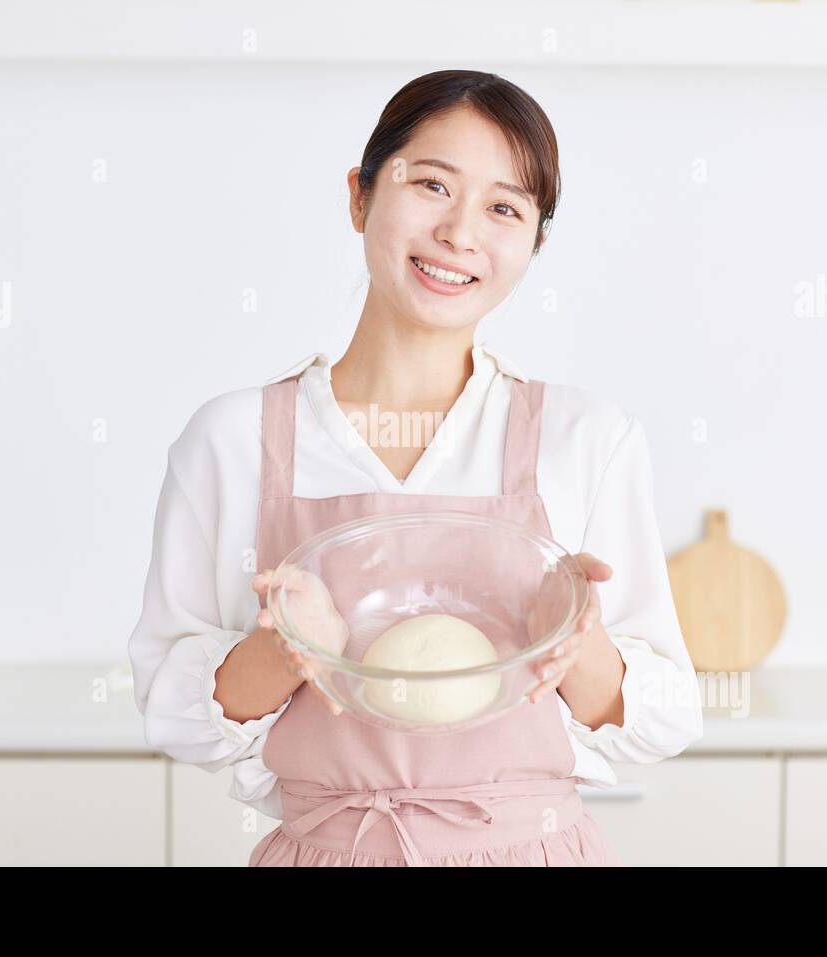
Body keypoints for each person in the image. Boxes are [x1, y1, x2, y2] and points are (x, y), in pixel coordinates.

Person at [128, 69, 703, 866]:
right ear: (361, 196)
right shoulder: (233, 439)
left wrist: (578, 643)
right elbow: (173, 710)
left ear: (533, 242)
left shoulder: (586, 438)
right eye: (431, 184)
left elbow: (665, 717)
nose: (462, 233)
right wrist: (288, 647)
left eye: (505, 207)